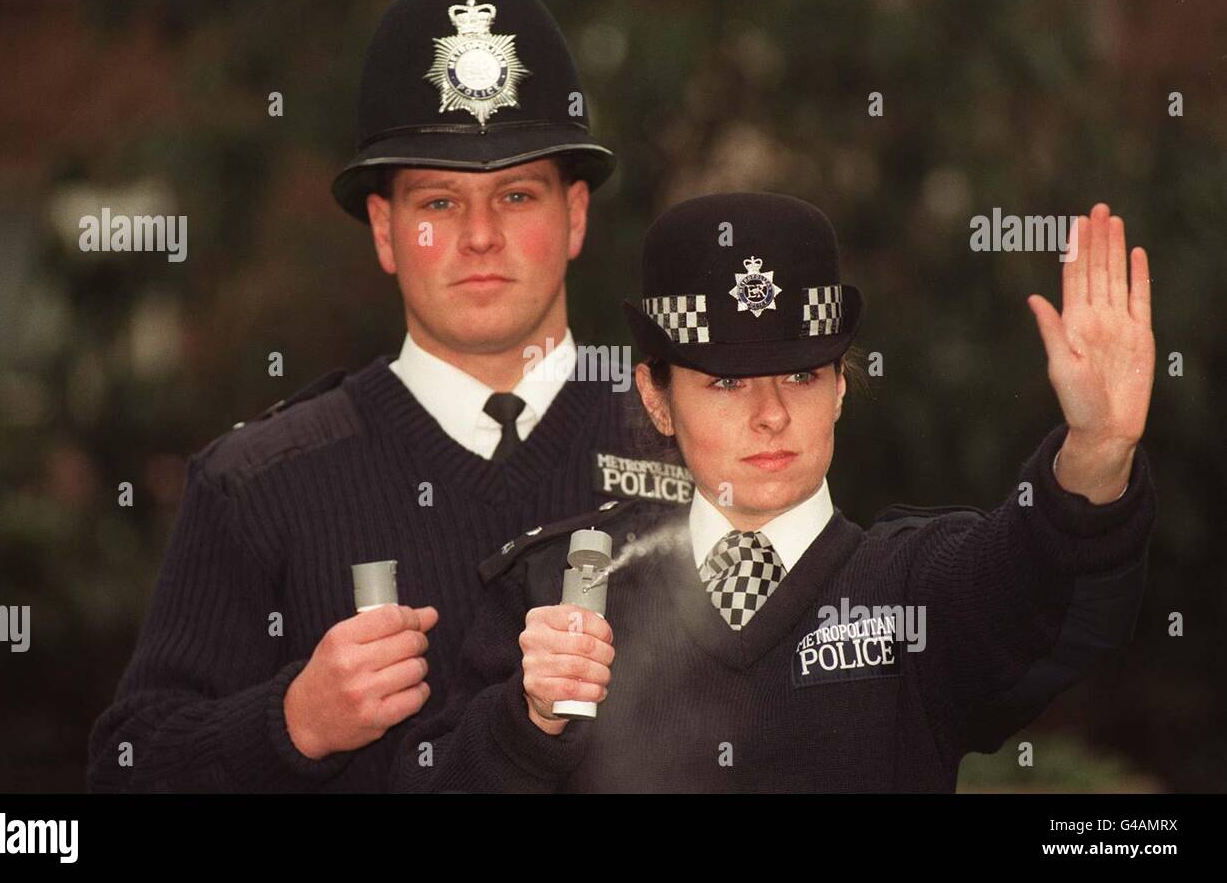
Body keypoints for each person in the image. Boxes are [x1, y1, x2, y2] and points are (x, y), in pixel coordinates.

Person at [86, 0, 676, 793]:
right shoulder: (260, 485)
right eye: (438, 202)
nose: (478, 235)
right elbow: (128, 768)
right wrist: (293, 721)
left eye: (516, 196)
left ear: (574, 215)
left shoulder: (693, 450)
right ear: (384, 230)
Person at [391, 193, 1156, 792]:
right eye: (725, 382)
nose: (771, 415)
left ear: (841, 391)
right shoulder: (554, 589)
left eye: (802, 374)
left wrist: (1097, 448)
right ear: (656, 399)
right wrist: (523, 724)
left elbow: (1048, 579)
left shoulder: (915, 589)